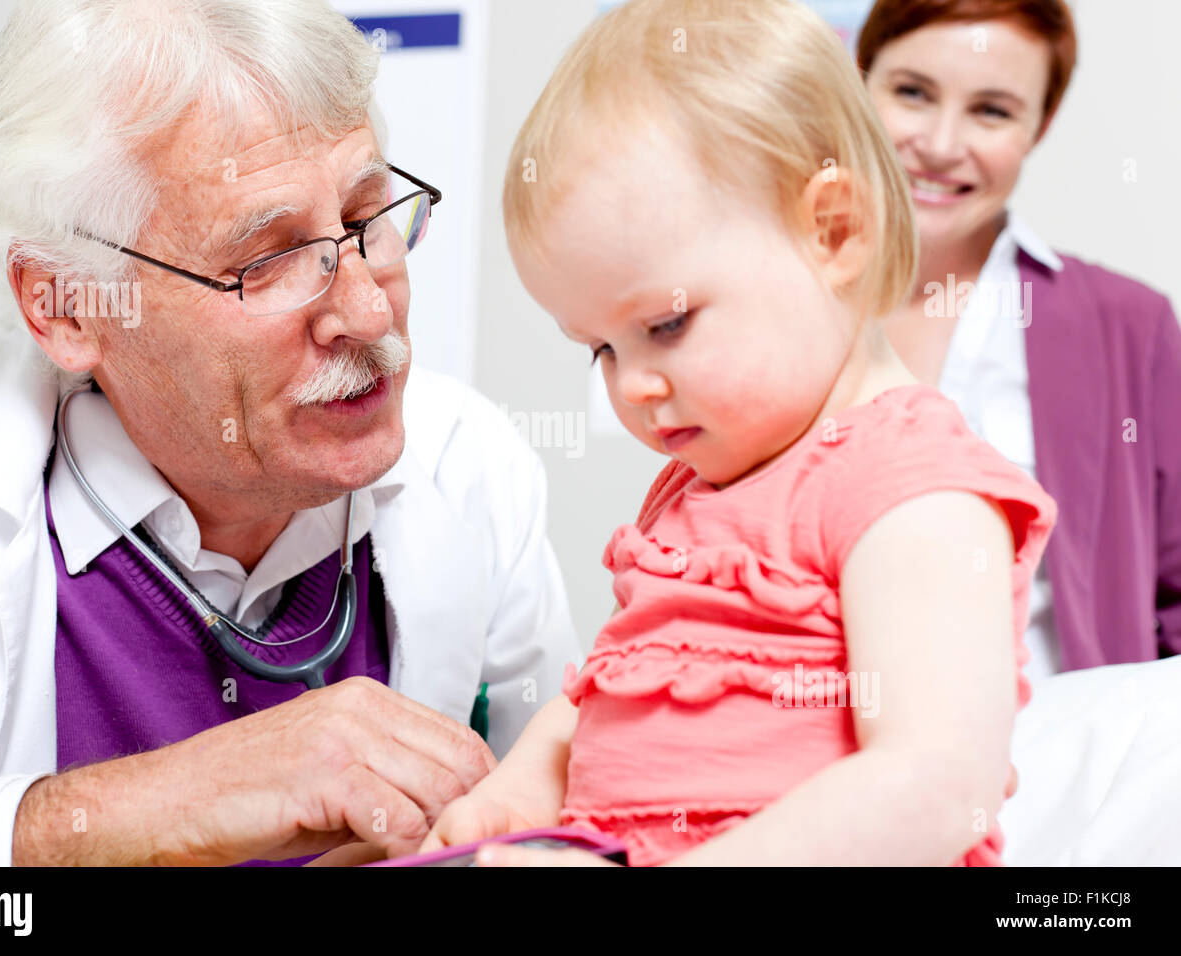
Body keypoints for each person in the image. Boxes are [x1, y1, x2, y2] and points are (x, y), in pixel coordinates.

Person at [0, 0, 578, 866]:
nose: (367, 311)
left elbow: (564, 820)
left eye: (368, 217)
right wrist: (163, 803)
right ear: (63, 303)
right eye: (267, 259)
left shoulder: (472, 468)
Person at [423, 0, 1055, 867]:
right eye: (602, 349)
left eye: (668, 324)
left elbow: (939, 785)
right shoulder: (699, 488)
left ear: (834, 232)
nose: (631, 385)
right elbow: (620, 686)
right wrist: (520, 788)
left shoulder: (914, 487)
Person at [859, 0, 1181, 676]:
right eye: (913, 92)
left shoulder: (1128, 323)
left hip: (1069, 764)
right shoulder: (773, 300)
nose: (943, 144)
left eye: (992, 110)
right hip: (816, 763)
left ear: (1041, 124)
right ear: (859, 83)